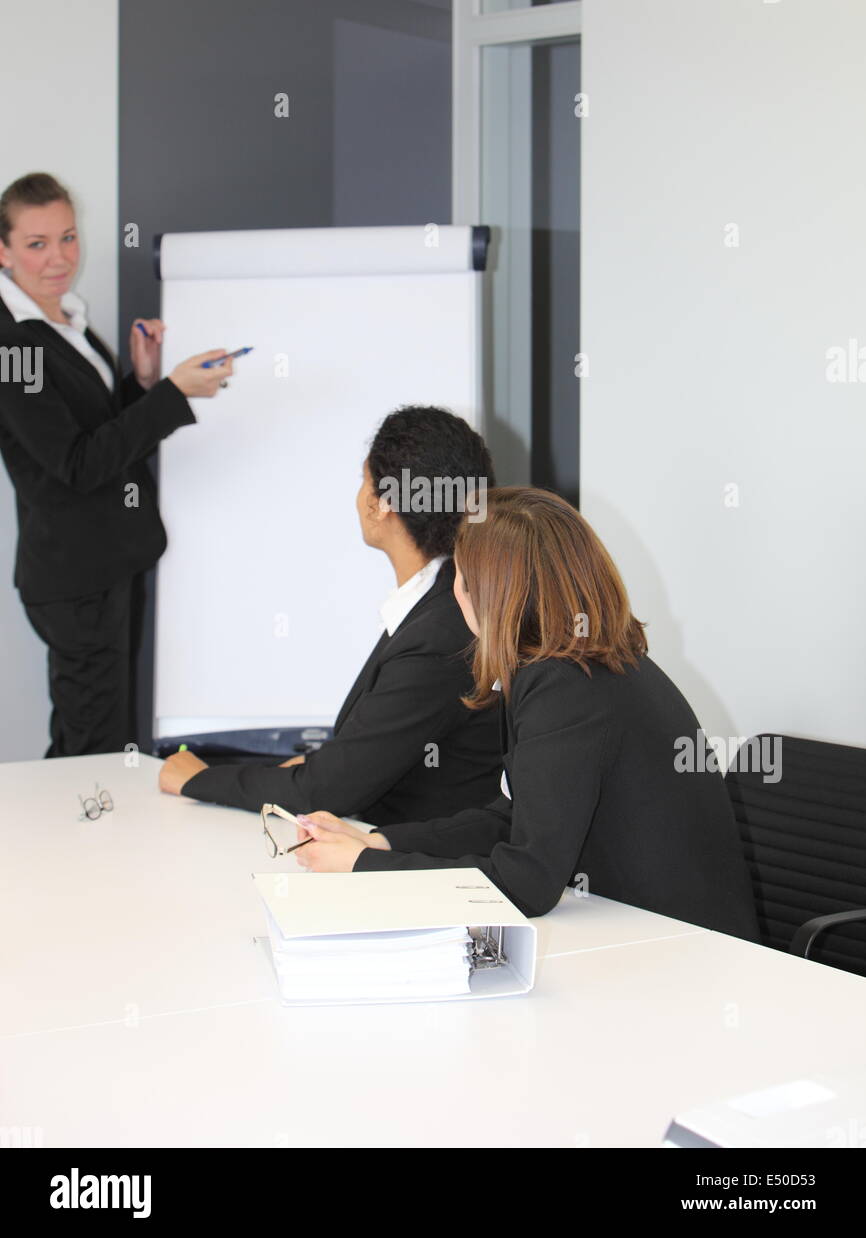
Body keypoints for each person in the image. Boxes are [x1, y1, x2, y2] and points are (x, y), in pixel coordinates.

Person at [289, 486, 761, 939]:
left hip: (681, 957)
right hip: (646, 934)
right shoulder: (574, 664)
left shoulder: (563, 685)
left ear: (483, 594)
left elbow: (525, 883)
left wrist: (360, 866)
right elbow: (512, 818)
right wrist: (380, 843)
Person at [159, 406, 503, 825]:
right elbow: (362, 755)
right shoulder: (445, 599)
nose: (360, 494)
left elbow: (325, 792)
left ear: (384, 505)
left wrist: (198, 779)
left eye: (364, 480)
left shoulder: (441, 630)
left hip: (422, 869)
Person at [0, 171, 236, 756]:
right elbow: (76, 464)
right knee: (93, 751)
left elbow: (99, 434)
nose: (59, 258)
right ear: (3, 252)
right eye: (37, 244)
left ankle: (67, 844)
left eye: (68, 237)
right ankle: (70, 847)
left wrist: (144, 379)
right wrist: (172, 396)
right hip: (76, 578)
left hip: (103, 566)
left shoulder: (63, 322)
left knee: (92, 740)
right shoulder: (14, 348)